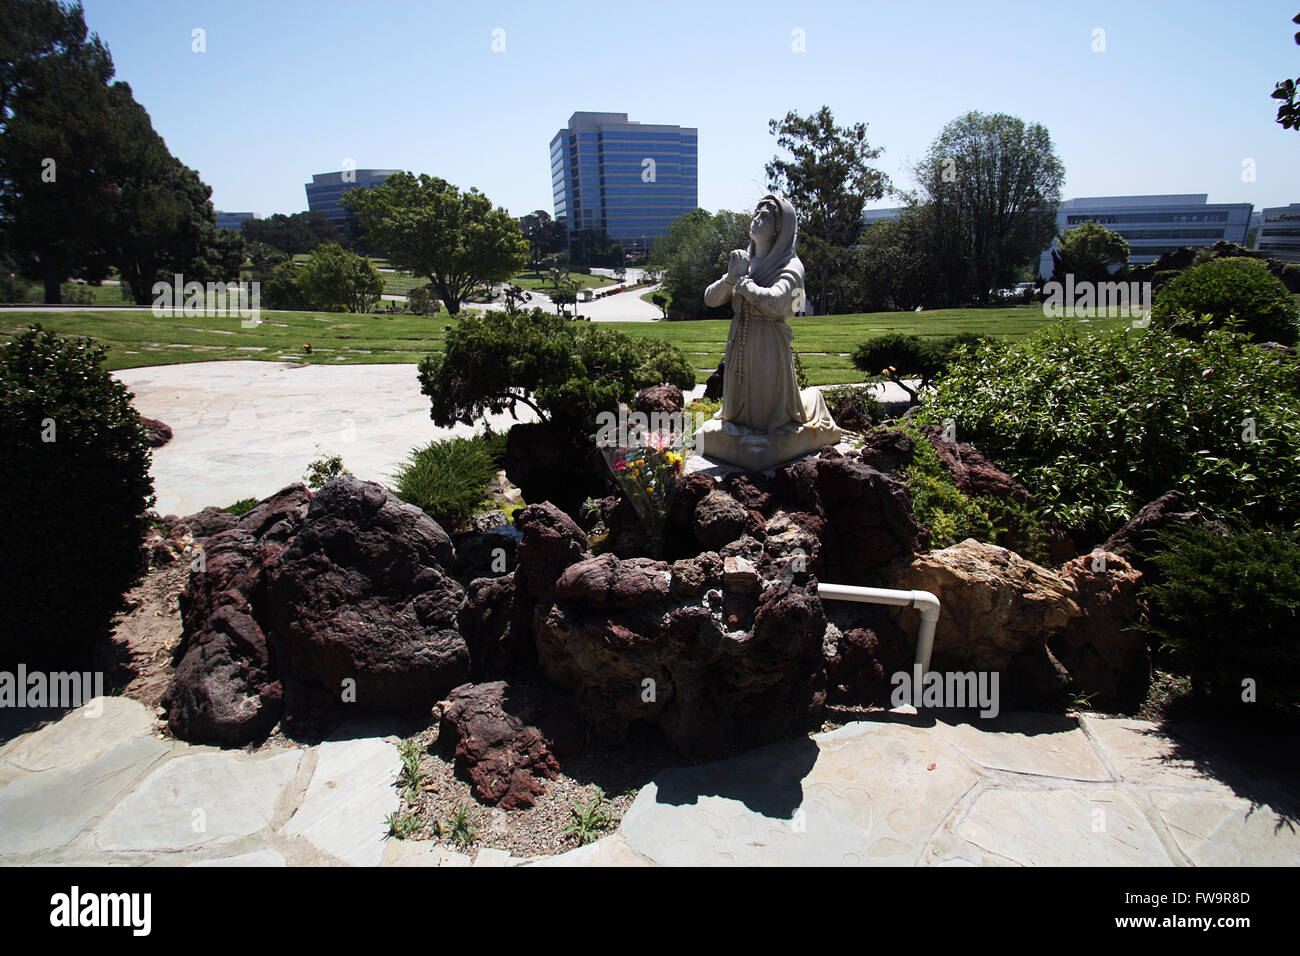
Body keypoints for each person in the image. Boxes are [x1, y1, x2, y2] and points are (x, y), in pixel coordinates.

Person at [703, 194, 837, 437]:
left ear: (779, 229)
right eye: (756, 213)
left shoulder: (791, 266)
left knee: (766, 417)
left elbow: (777, 303)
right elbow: (710, 299)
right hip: (738, 338)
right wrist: (730, 277)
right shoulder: (746, 260)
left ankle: (805, 405)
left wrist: (743, 281)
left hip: (768, 342)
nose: (756, 219)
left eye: (764, 216)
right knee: (735, 413)